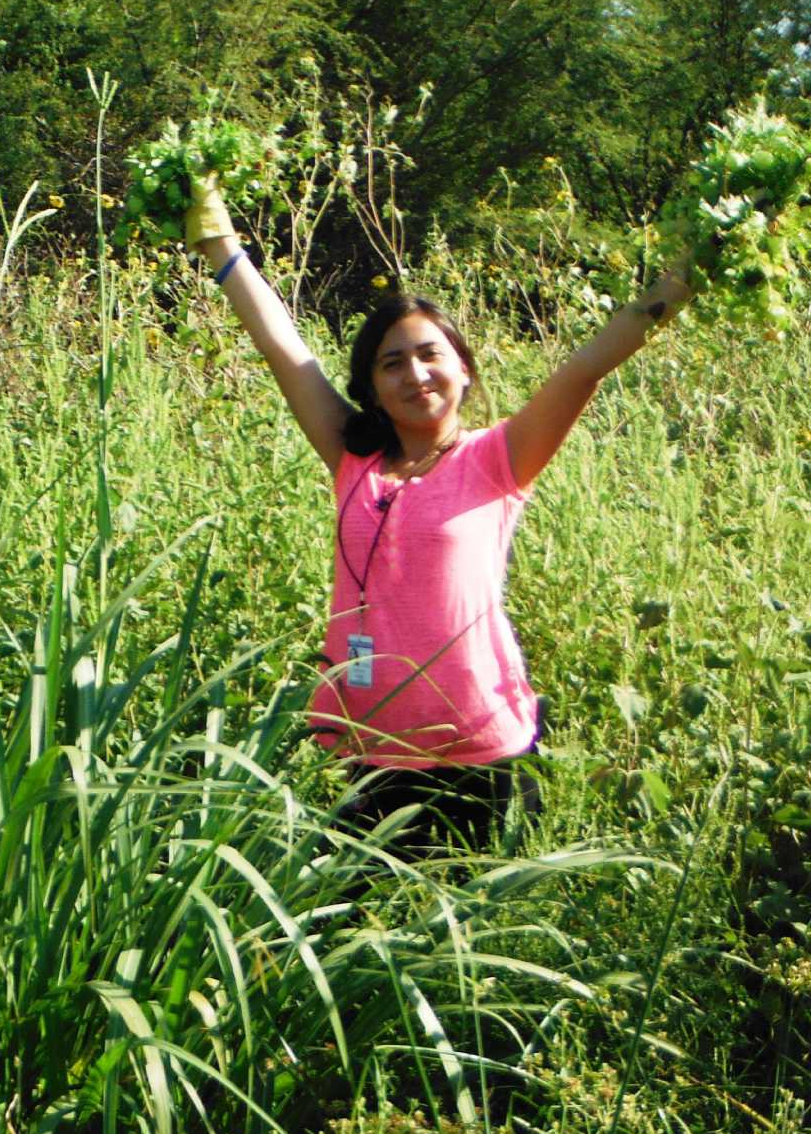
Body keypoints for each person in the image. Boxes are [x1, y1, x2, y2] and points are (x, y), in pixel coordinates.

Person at [185, 174, 694, 853]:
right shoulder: (352, 457)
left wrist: (686, 276)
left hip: (477, 750)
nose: (415, 374)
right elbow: (284, 349)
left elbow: (583, 370)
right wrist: (219, 243)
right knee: (361, 943)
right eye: (392, 363)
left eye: (431, 356)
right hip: (366, 747)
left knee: (475, 947)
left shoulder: (498, 458)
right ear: (370, 385)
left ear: (463, 372)